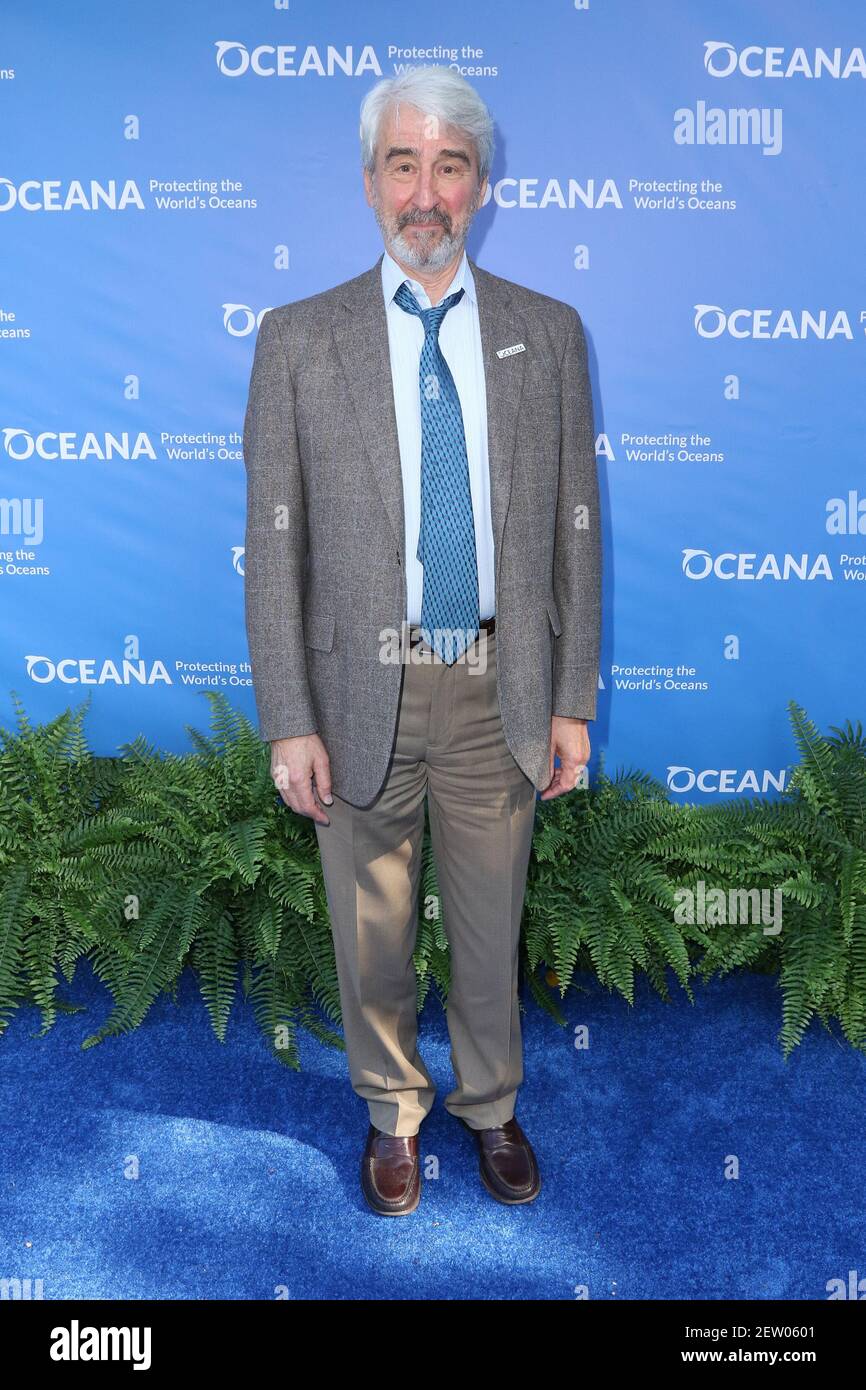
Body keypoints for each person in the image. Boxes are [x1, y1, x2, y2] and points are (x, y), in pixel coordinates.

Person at [242, 66, 602, 1216]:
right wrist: (288, 716)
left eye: (449, 165)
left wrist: (570, 697)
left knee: (489, 925)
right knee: (370, 926)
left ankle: (489, 1106)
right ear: (368, 183)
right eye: (404, 163)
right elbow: (273, 548)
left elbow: (571, 541)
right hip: (358, 687)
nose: (426, 191)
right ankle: (390, 1113)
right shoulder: (296, 342)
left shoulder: (549, 336)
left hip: (501, 677)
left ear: (480, 184)